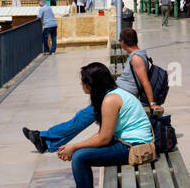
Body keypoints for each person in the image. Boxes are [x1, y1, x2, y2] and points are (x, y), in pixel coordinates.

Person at [23, 28, 163, 153]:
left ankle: (42, 136)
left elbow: (145, 82)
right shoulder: (138, 55)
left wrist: (152, 103)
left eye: (120, 41)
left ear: (124, 42)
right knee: (80, 119)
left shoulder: (137, 58)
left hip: (115, 101)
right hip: (112, 96)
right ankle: (47, 143)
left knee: (80, 120)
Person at [56, 62, 154, 188]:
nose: (81, 84)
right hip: (127, 142)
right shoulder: (110, 95)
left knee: (80, 158)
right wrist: (74, 146)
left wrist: (75, 148)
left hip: (135, 147)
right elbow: (103, 134)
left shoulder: (110, 100)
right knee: (81, 153)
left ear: (92, 84)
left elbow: (104, 139)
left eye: (83, 80)